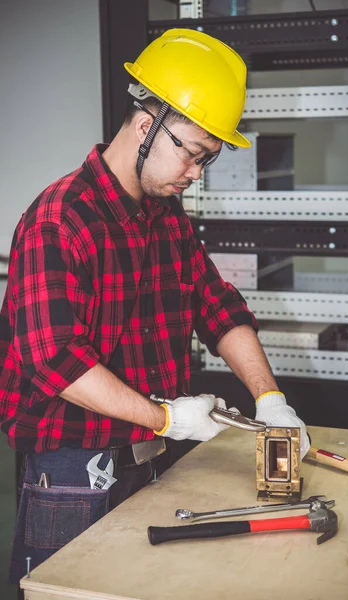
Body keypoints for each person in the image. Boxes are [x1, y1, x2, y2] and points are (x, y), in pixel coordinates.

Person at [0, 28, 310, 582]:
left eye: (206, 161)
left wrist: (271, 399)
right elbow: (56, 361)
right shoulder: (58, 220)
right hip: (73, 476)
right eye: (192, 155)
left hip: (152, 461)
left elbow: (217, 307)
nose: (195, 175)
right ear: (148, 127)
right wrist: (165, 416)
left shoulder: (167, 219)